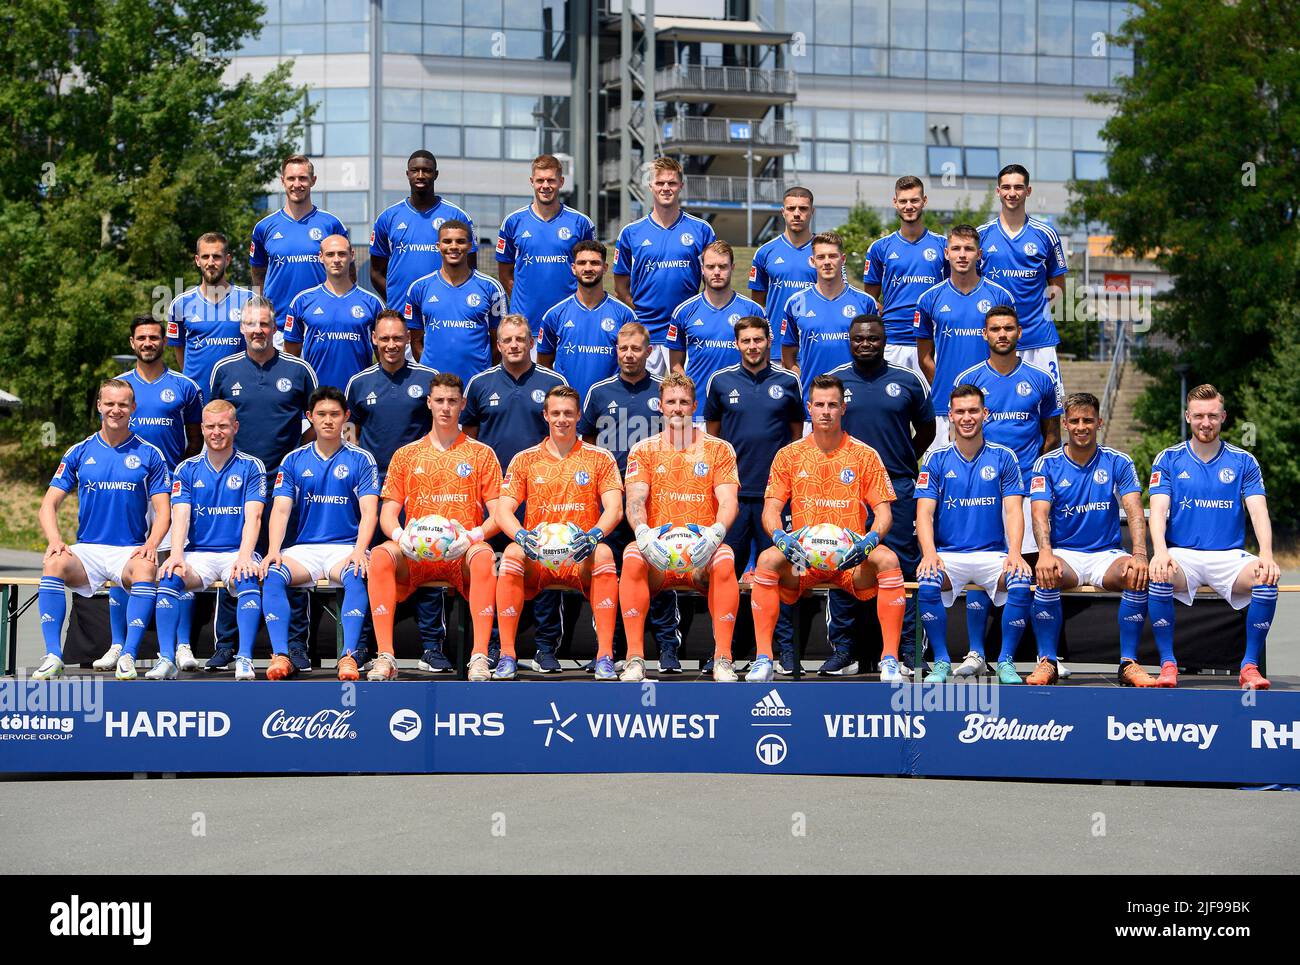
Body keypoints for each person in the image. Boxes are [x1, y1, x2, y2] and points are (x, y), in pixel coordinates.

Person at [750, 375, 907, 682]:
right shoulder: (789, 455)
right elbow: (770, 511)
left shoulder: (864, 454)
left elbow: (884, 513)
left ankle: (889, 658)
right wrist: (781, 538)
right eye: (819, 405)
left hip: (850, 560)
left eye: (832, 405)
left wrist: (870, 541)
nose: (825, 411)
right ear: (808, 407)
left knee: (889, 559)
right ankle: (764, 659)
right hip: (801, 561)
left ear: (843, 408)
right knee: (767, 560)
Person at [367, 373, 502, 681]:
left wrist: (473, 536)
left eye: (452, 401)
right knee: (380, 555)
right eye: (439, 401)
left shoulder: (482, 453)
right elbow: (388, 513)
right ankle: (386, 656)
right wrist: (401, 537)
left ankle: (479, 656)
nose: (445, 408)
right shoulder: (406, 454)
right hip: (416, 555)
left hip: (460, 552)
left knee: (484, 555)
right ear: (428, 403)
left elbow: (498, 513)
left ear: (463, 405)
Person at [207, 296, 318, 672]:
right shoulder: (223, 370)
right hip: (237, 482)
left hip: (285, 482)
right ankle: (227, 645)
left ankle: (293, 647)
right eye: (251, 324)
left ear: (276, 328)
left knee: (286, 563)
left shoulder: (299, 370)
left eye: (264, 325)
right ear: (242, 328)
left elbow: (314, 423)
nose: (258, 331)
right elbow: (216, 422)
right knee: (235, 559)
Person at [33, 380, 171, 681]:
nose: (116, 410)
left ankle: (129, 655)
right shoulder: (79, 451)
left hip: (128, 549)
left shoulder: (150, 454)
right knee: (54, 562)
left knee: (146, 569)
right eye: (109, 403)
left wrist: (152, 542)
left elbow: (164, 510)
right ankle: (53, 655)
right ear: (99, 405)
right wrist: (55, 540)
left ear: (133, 408)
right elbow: (48, 505)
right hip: (89, 549)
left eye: (123, 404)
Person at [1147, 384, 1279, 690]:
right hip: (1184, 554)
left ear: (1223, 417)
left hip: (1228, 556)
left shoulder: (1243, 460)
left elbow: (1258, 511)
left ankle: (1249, 666)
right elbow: (1158, 510)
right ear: (1187, 417)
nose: (1205, 422)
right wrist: (1161, 551)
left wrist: (1267, 554)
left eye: (1212, 416)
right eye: (1199, 416)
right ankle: (1168, 665)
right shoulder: (1168, 459)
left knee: (1266, 578)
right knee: (1160, 575)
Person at [493, 386, 623, 681]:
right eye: (555, 413)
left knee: (604, 552)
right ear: (545, 415)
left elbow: (614, 508)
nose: (562, 419)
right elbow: (502, 511)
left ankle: (604, 655)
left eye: (568, 413)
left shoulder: (599, 458)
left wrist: (593, 536)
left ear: (579, 415)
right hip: (539, 556)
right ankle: (507, 655)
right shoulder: (525, 459)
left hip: (579, 555)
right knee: (511, 553)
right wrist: (522, 537)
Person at [828, 315, 935, 675]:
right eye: (858, 339)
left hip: (898, 485)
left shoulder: (907, 380)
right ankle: (845, 649)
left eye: (872, 338)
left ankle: (907, 648)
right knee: (843, 561)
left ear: (885, 340)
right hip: (847, 487)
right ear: (849, 341)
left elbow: (927, 430)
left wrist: (902, 456)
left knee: (902, 565)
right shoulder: (836, 381)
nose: (865, 344)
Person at [464, 315, 568, 670]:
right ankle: (494, 644)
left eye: (520, 339)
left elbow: (563, 431)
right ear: (498, 343)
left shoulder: (553, 382)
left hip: (544, 491)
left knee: (548, 562)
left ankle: (545, 648)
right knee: (496, 569)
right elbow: (472, 441)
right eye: (507, 340)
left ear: (531, 341)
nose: (513, 345)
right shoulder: (479, 384)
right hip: (496, 496)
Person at [98, 316, 202, 673]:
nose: (148, 343)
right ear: (132, 343)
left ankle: (183, 645)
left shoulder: (185, 386)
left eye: (154, 337)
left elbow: (196, 438)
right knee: (122, 562)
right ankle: (117, 644)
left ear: (164, 342)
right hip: (129, 491)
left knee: (176, 562)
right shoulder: (119, 389)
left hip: (172, 491)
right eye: (141, 337)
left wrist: (181, 482)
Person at [621, 374, 741, 682]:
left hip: (701, 553)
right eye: (671, 402)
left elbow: (728, 501)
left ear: (694, 406)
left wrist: (715, 534)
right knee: (632, 553)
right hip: (659, 555)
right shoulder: (642, 449)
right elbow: (635, 500)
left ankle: (723, 659)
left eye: (684, 402)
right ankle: (634, 658)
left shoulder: (720, 449)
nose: (678, 409)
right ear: (660, 406)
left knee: (725, 555)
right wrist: (644, 535)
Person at [344, 312, 447, 670]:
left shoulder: (426, 379)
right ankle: (363, 646)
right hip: (374, 490)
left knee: (427, 559)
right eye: (384, 339)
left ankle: (432, 647)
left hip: (422, 487)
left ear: (408, 340)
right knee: (371, 565)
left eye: (398, 339)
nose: (391, 345)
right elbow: (350, 436)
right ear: (374, 339)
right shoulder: (358, 383)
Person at [580, 323, 683, 670]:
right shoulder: (599, 392)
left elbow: (680, 442)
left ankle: (668, 649)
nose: (629, 355)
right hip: (612, 502)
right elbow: (588, 448)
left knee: (661, 574)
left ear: (649, 351)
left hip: (657, 502)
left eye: (636, 349)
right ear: (616, 350)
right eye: (623, 348)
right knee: (616, 577)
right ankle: (613, 650)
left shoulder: (663, 392)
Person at [1029, 392, 1152, 686]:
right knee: (1048, 571)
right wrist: (1044, 553)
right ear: (1065, 424)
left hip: (1106, 554)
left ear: (1099, 422)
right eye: (1074, 421)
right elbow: (1039, 513)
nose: (1081, 426)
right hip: (1065, 553)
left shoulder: (1118, 461)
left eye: (1087, 420)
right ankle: (1048, 661)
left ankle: (1128, 663)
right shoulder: (1046, 464)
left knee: (1136, 573)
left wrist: (1140, 554)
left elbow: (1135, 511)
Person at [703, 316, 804, 673]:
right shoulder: (720, 382)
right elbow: (713, 441)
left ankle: (786, 652)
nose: (752, 346)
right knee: (726, 575)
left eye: (758, 340)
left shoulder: (789, 381)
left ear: (768, 341)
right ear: (736, 343)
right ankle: (724, 652)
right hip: (733, 499)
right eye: (745, 340)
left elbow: (795, 439)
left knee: (784, 573)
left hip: (775, 499)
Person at [914, 384, 1032, 684]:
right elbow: (924, 513)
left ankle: (1005, 661)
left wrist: (1015, 552)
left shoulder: (1004, 457)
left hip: (993, 554)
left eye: (974, 411)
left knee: (1021, 580)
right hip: (949, 554)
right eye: (961, 412)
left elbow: (1014, 511)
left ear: (985, 414)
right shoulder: (936, 459)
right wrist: (929, 554)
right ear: (950, 416)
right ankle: (941, 661)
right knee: (927, 581)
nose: (968, 418)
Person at [261, 387, 380, 681]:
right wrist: (274, 548)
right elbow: (280, 511)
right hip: (305, 550)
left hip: (345, 548)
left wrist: (359, 549)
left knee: (356, 573)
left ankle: (348, 657)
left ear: (346, 418)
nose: (328, 421)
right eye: (322, 414)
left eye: (335, 414)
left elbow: (369, 512)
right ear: (310, 417)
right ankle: (281, 655)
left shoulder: (362, 459)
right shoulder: (293, 461)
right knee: (273, 572)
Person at [152, 401, 267, 680]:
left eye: (223, 426)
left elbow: (254, 517)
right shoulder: (186, 469)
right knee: (169, 576)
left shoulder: (251, 466)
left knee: (248, 577)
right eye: (211, 426)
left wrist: (244, 557)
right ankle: (167, 658)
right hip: (199, 554)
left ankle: (245, 659)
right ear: (202, 429)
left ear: (235, 427)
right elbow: (181, 516)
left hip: (236, 552)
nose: (217, 432)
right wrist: (176, 554)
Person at [613, 156, 716, 377]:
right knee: (647, 403)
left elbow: (714, 279)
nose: (666, 188)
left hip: (688, 332)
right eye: (660, 183)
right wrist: (639, 314)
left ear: (681, 185)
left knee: (685, 402)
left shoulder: (702, 230)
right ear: (651, 186)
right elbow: (621, 286)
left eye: (671, 183)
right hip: (647, 334)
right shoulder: (631, 232)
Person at [915, 225, 1016, 448]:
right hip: (944, 406)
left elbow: (1009, 353)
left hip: (991, 405)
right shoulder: (928, 299)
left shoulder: (1000, 296)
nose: (962, 255)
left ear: (979, 254)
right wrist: (950, 389)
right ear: (946, 253)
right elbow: (924, 357)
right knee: (945, 475)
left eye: (969, 249)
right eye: (956, 248)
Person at [977, 164, 1068, 391]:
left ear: (1028, 191)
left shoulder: (1046, 233)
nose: (1012, 193)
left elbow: (1057, 287)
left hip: (1039, 338)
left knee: (1049, 409)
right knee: (993, 407)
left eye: (1018, 187)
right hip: (996, 339)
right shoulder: (981, 235)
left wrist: (1037, 312)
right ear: (998, 191)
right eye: (1006, 187)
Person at [249, 154, 349, 342]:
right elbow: (258, 273)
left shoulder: (331, 224)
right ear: (282, 181)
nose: (297, 184)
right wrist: (261, 311)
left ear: (313, 180)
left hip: (321, 326)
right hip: (278, 329)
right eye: (291, 178)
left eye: (303, 178)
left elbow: (348, 274)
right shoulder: (264, 227)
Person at [496, 154, 596, 331]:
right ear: (531, 181)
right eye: (540, 180)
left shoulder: (581, 223)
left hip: (569, 323)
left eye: (551, 180)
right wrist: (525, 303)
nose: (545, 186)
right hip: (526, 326)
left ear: (561, 182)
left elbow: (590, 271)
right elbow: (505, 274)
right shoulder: (512, 222)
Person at [862, 176, 948, 376]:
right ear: (895, 203)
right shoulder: (879, 247)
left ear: (924, 201)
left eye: (914, 200)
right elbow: (870, 299)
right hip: (894, 340)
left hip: (932, 340)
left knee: (931, 403)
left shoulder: (943, 246)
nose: (909, 206)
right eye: (903, 201)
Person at [403, 219, 505, 386]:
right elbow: (415, 341)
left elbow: (498, 342)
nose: (453, 246)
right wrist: (431, 374)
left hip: (475, 385)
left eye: (460, 241)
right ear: (438, 246)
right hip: (435, 387)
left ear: (470, 246)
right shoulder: (419, 288)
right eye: (447, 241)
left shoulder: (491, 288)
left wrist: (483, 375)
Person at [369, 150, 475, 309]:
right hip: (402, 315)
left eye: (426, 171)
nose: (420, 175)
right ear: (407, 174)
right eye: (415, 170)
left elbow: (470, 270)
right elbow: (376, 273)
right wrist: (396, 301)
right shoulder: (388, 217)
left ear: (436, 174)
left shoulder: (457, 216)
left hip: (443, 312)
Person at [667, 240, 763, 415]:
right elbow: (675, 365)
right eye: (711, 267)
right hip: (699, 409)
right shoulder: (683, 311)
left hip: (741, 409)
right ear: (702, 268)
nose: (717, 272)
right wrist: (689, 392)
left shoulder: (752, 310)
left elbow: (763, 362)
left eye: (723, 266)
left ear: (732, 268)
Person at [781, 231, 878, 403]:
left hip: (855, 402)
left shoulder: (865, 302)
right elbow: (788, 355)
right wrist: (804, 383)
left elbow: (876, 355)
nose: (827, 262)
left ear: (843, 259)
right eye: (821, 257)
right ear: (812, 261)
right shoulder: (797, 302)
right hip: (812, 405)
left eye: (833, 256)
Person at [537, 240, 633, 403]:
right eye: (582, 263)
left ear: (605, 268)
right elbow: (544, 368)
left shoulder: (625, 315)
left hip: (611, 408)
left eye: (595, 263)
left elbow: (633, 365)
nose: (588, 268)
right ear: (573, 268)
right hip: (566, 409)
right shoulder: (554, 315)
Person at [284, 234, 384, 390]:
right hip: (316, 396)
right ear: (320, 257)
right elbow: (290, 359)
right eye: (330, 254)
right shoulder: (302, 301)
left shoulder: (372, 303)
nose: (336, 259)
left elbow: (383, 358)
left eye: (342, 254)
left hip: (359, 395)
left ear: (352, 256)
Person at [166, 231, 254, 401]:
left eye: (217, 257)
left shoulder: (250, 301)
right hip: (196, 398)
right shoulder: (180, 304)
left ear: (227, 260)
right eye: (205, 257)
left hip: (240, 395)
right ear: (197, 260)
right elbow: (179, 350)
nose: (211, 262)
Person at [749, 187, 818, 363]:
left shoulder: (825, 252)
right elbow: (758, 304)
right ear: (783, 211)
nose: (796, 214)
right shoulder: (765, 252)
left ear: (812, 212)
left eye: (803, 208)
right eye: (791, 208)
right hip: (775, 351)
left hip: (815, 347)